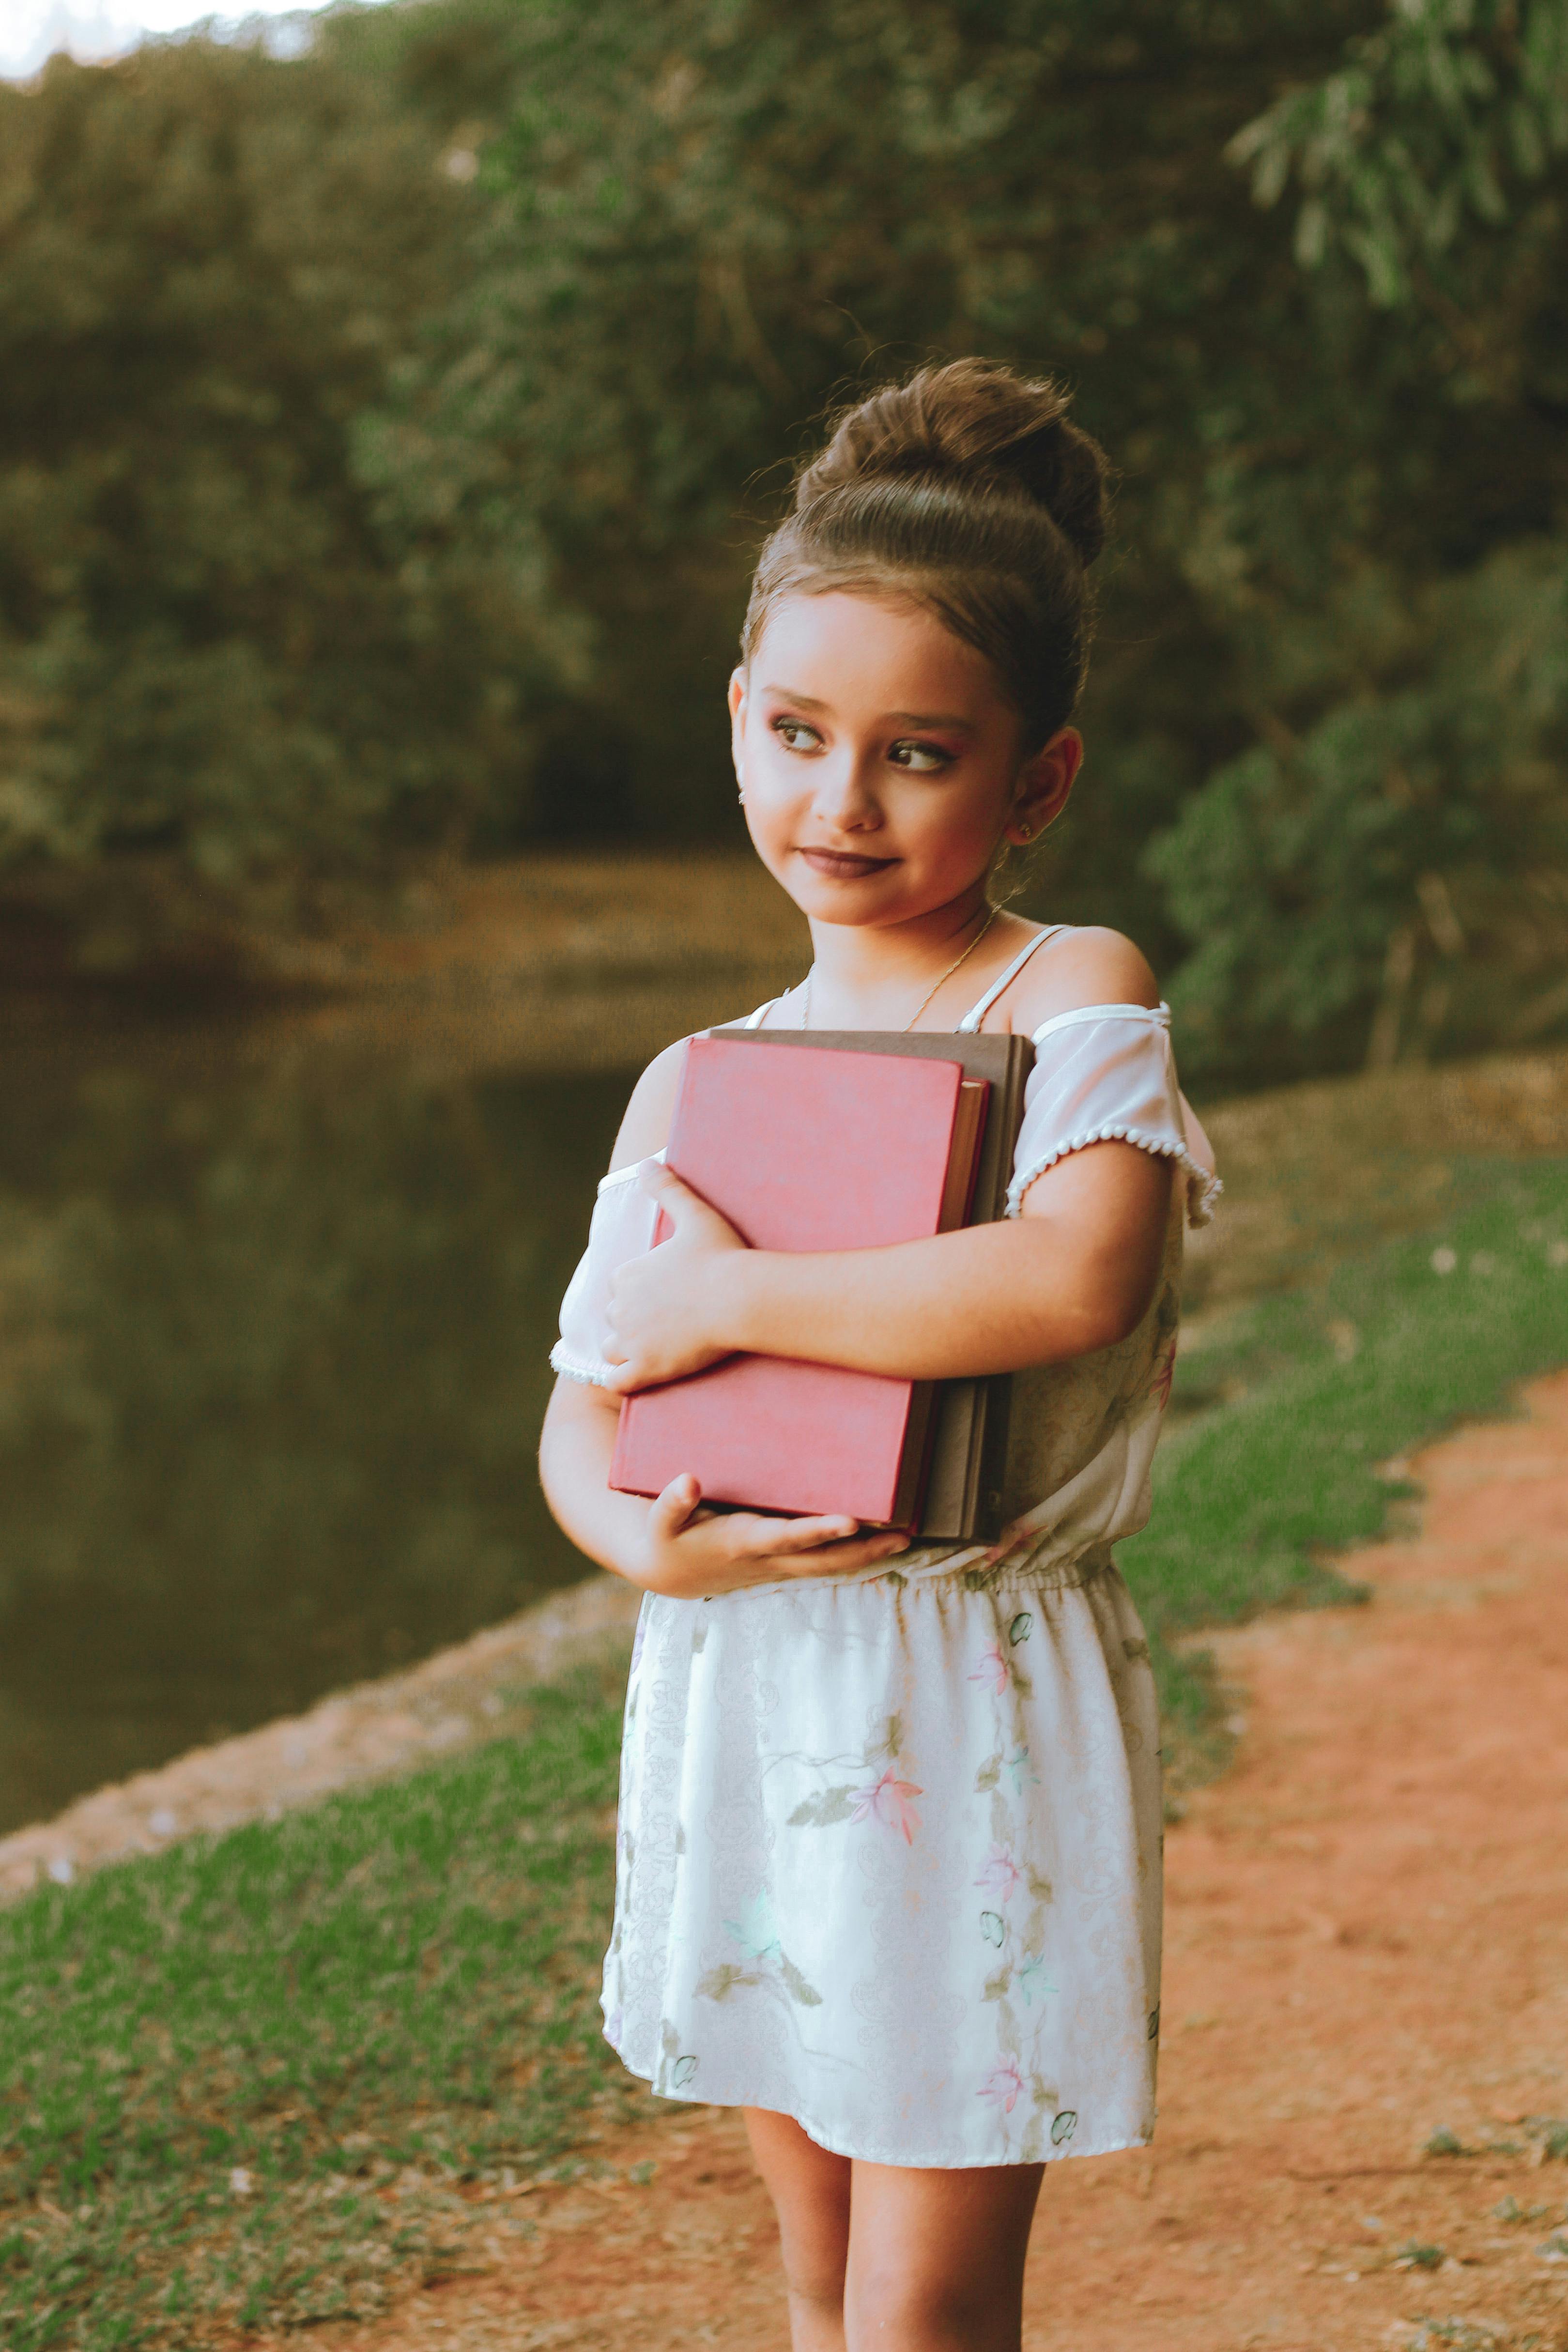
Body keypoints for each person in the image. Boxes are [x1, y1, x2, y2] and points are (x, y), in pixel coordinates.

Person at [538, 357, 1219, 2352]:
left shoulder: (1067, 990)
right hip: (748, 1687)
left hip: (972, 1695)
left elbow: (1071, 1277)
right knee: (823, 2275)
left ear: (1041, 777)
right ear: (736, 722)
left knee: (925, 2312)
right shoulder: (700, 1076)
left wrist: (734, 1297)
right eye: (798, 734)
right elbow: (593, 1410)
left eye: (918, 753)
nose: (841, 803)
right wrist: (631, 1538)